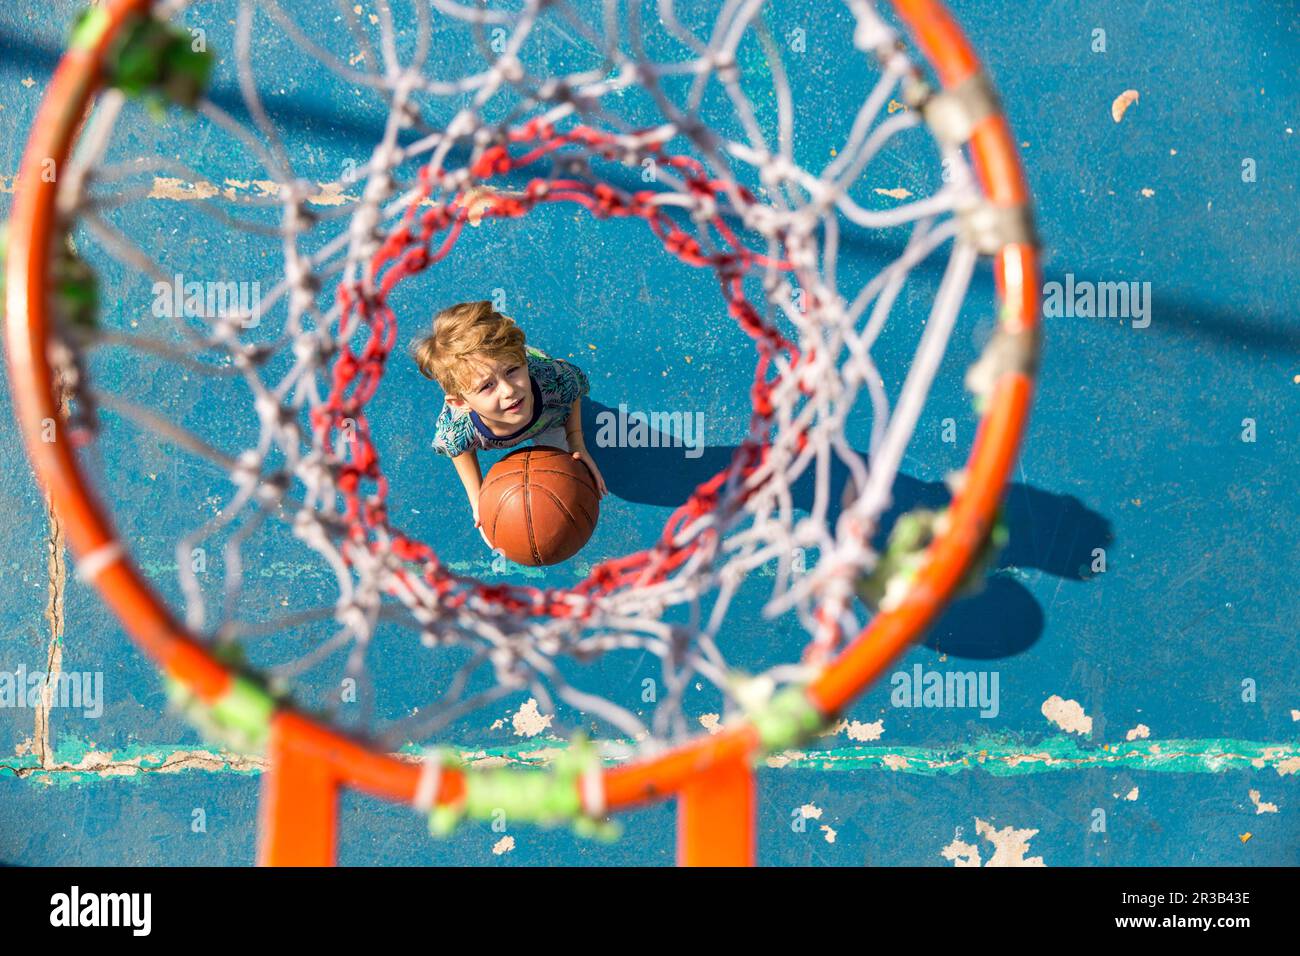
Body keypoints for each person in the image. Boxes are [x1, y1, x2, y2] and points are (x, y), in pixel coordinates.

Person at [412, 300, 608, 535]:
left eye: (512, 370)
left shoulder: (553, 382)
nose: (508, 391)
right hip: (509, 403)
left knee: (566, 462)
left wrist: (577, 441)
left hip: (546, 412)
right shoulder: (456, 430)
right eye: (487, 387)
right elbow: (458, 450)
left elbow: (573, 386)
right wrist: (479, 500)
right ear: (461, 403)